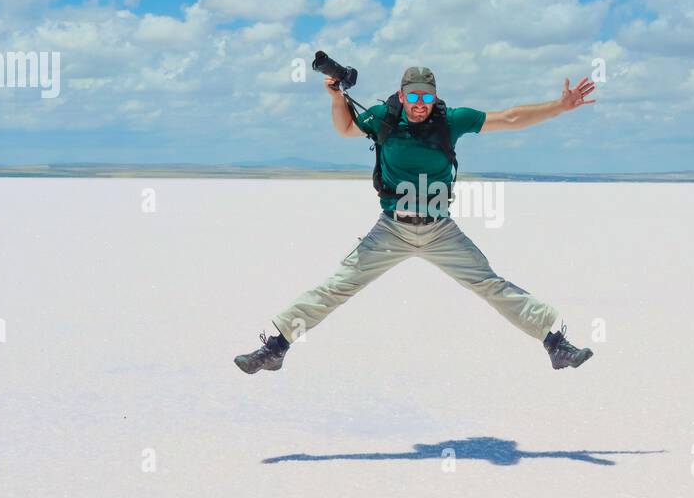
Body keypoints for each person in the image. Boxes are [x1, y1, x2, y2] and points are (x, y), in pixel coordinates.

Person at [235, 64, 597, 374]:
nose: (420, 105)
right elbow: (345, 129)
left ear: (434, 98)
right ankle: (276, 348)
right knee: (338, 286)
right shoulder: (383, 118)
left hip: (440, 231)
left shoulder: (452, 120)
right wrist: (335, 97)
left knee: (490, 285)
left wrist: (561, 107)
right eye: (414, 97)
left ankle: (555, 344)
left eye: (427, 98)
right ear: (402, 94)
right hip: (392, 229)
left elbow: (511, 118)